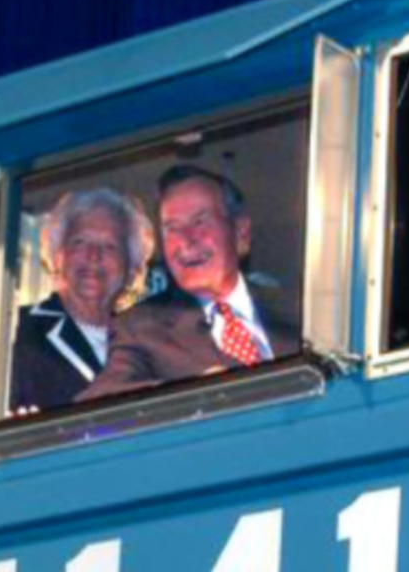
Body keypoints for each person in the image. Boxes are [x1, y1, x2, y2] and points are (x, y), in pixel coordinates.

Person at [79, 165, 299, 399]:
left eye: (199, 222)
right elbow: (99, 401)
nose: (186, 241)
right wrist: (191, 392)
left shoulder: (298, 308)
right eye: (172, 229)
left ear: (240, 232)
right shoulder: (139, 327)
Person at [9, 188, 152, 413]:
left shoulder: (149, 344)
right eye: (80, 242)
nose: (93, 256)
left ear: (132, 270)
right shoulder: (15, 331)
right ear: (57, 257)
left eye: (110, 247)